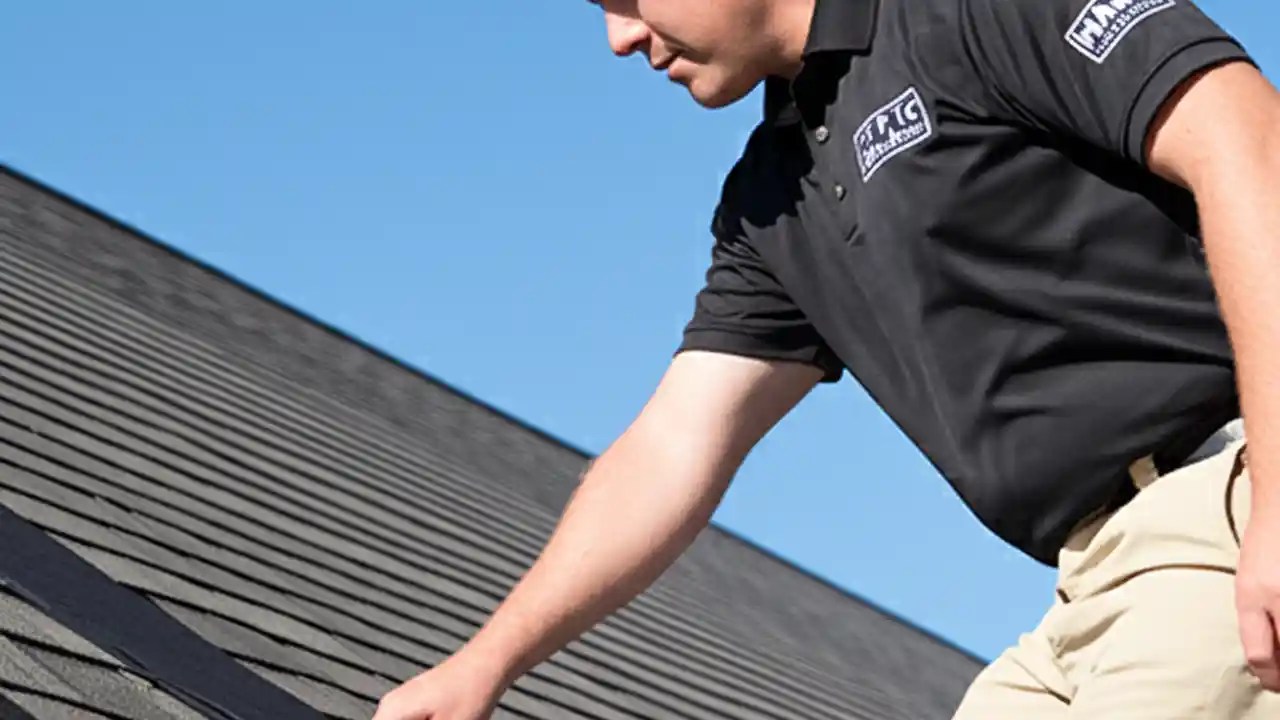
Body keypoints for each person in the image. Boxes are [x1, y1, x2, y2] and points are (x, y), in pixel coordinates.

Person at [373, 0, 1280, 717]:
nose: (618, 38)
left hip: (1226, 502)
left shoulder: (967, 10)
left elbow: (1248, 140)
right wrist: (485, 663)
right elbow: (671, 448)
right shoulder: (775, 200)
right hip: (1088, 591)